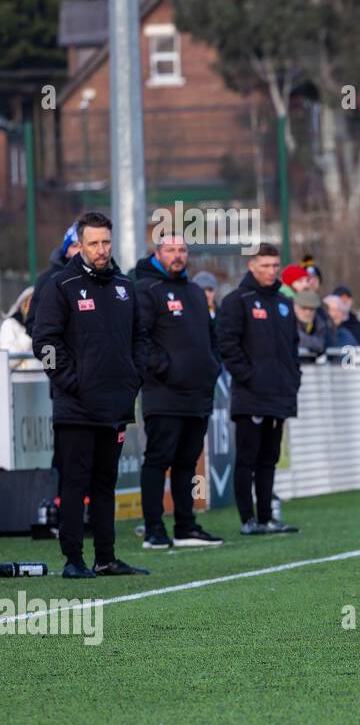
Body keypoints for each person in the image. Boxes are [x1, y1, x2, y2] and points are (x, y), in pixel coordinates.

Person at [30, 211, 151, 578]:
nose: (101, 250)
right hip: (76, 407)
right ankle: (73, 560)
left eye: (106, 242)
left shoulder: (124, 286)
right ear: (79, 245)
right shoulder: (60, 285)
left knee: (105, 484)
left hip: (115, 404)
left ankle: (106, 557)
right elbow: (44, 342)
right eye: (93, 243)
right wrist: (72, 381)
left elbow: (140, 338)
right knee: (75, 484)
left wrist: (134, 376)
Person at [135, 235, 224, 549]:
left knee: (188, 462)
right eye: (170, 250)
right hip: (164, 394)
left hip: (197, 394)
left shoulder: (196, 293)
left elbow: (213, 337)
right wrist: (165, 368)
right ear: (158, 253)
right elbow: (140, 339)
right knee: (158, 460)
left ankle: (186, 526)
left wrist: (212, 367)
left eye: (182, 250)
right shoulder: (147, 289)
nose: (177, 255)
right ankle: (154, 528)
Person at [216, 242, 300, 535]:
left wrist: (293, 380)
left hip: (279, 395)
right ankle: (247, 519)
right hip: (250, 395)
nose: (270, 271)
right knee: (247, 458)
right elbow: (227, 345)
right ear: (251, 266)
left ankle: (266, 517)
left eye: (275, 265)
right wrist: (249, 377)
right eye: (264, 265)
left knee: (269, 459)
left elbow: (292, 348)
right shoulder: (237, 300)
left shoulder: (284, 302)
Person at [26, 222, 80, 337]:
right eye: (75, 246)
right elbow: (33, 325)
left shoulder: (108, 279)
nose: (80, 251)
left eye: (83, 245)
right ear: (66, 251)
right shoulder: (48, 280)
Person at [2, 287, 36, 368]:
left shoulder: (48, 328)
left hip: (40, 378)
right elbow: (9, 360)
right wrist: (30, 338)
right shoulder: (10, 324)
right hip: (17, 379)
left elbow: (50, 364)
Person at [292, 288, 330, 360]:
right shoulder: (286, 322)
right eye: (304, 308)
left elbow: (321, 344)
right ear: (295, 306)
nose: (308, 312)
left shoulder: (320, 324)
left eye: (312, 308)